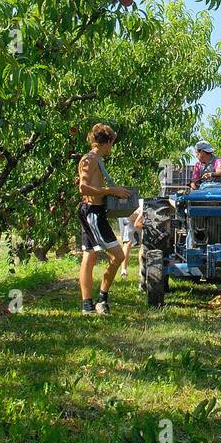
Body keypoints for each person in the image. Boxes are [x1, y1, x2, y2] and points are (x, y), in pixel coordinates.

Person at [76, 123, 132, 314]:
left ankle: (87, 305)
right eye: (112, 143)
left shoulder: (96, 159)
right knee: (119, 255)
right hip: (92, 212)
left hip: (92, 211)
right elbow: (83, 188)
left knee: (89, 254)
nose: (112, 147)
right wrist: (111, 190)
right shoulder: (89, 160)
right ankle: (102, 299)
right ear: (107, 141)